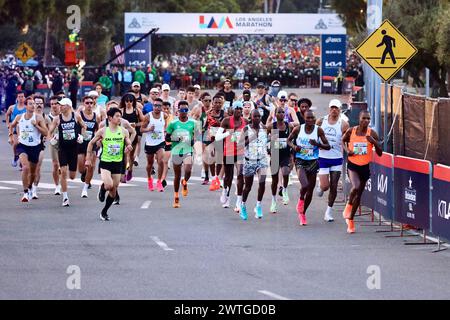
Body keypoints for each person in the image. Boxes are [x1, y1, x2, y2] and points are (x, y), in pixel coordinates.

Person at [85, 107, 133, 221]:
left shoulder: (123, 131)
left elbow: (128, 142)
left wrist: (129, 147)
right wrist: (88, 158)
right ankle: (102, 188)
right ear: (110, 118)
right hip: (105, 162)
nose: (119, 118)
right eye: (117, 116)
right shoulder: (103, 131)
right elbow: (91, 144)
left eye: (120, 116)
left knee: (113, 190)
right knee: (109, 185)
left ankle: (104, 211)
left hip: (118, 162)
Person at [342, 110, 382, 233]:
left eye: (368, 119)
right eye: (364, 118)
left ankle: (351, 221)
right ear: (359, 119)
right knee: (356, 186)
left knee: (359, 194)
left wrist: (374, 142)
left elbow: (380, 153)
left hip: (365, 167)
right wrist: (347, 150)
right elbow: (343, 141)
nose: (366, 121)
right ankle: (349, 204)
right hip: (353, 164)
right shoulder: (352, 131)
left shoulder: (372, 133)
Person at [288, 110, 330, 226]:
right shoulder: (298, 129)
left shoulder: (318, 130)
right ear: (304, 118)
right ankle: (301, 198)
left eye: (312, 118)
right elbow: (288, 140)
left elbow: (328, 146)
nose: (310, 120)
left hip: (313, 161)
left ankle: (303, 214)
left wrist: (318, 144)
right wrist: (294, 146)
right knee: (305, 185)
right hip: (300, 160)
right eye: (308, 118)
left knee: (310, 190)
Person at [8, 97, 48, 202]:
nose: (33, 105)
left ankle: (30, 187)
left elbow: (46, 132)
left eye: (34, 104)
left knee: (33, 173)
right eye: (30, 104)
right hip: (23, 145)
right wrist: (11, 136)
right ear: (26, 106)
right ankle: (25, 193)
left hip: (35, 147)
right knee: (25, 167)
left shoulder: (38, 118)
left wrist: (37, 126)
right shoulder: (19, 117)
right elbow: (11, 126)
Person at [48, 98, 87, 207]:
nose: (60, 107)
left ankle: (73, 174)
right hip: (63, 148)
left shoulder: (76, 116)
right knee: (63, 172)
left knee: (73, 176)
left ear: (68, 106)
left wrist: (81, 136)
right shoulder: (57, 119)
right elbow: (50, 130)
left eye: (62, 105)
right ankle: (65, 197)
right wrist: (52, 138)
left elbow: (84, 126)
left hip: (74, 148)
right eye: (59, 105)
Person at [316, 99, 349, 222]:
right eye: (332, 108)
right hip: (323, 156)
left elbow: (346, 140)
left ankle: (328, 212)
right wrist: (316, 144)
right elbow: (315, 133)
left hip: (336, 158)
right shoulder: (321, 121)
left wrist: (348, 150)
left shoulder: (344, 124)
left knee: (334, 186)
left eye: (336, 108)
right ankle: (321, 186)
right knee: (325, 187)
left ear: (340, 109)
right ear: (329, 109)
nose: (334, 110)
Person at [165, 100, 201, 208]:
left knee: (188, 170)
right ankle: (176, 197)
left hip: (187, 150)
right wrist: (177, 138)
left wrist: (193, 140)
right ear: (178, 111)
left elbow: (197, 136)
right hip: (176, 150)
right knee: (177, 175)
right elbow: (167, 137)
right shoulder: (173, 123)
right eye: (182, 110)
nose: (183, 112)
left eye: (186, 110)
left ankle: (185, 182)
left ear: (188, 111)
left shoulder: (193, 123)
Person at [215, 101, 247, 210]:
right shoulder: (227, 121)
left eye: (240, 109)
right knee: (228, 177)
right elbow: (218, 137)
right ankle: (226, 193)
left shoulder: (245, 121)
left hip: (240, 152)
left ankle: (238, 201)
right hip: (228, 152)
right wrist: (229, 132)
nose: (238, 110)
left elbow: (248, 136)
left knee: (240, 174)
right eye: (237, 108)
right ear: (233, 109)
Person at [238, 109, 269, 220]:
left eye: (259, 116)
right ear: (251, 117)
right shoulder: (246, 129)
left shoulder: (264, 129)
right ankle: (243, 205)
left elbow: (267, 141)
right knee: (248, 187)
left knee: (262, 182)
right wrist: (251, 138)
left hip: (261, 160)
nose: (257, 118)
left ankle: (258, 205)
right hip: (249, 160)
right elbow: (240, 146)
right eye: (255, 116)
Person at [267, 107, 295, 213]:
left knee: (285, 172)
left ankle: (285, 190)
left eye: (283, 112)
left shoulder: (289, 126)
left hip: (286, 155)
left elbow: (292, 139)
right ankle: (274, 201)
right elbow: (265, 138)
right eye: (279, 112)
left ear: (285, 114)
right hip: (274, 156)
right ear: (275, 114)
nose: (281, 114)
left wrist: (292, 156)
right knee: (274, 181)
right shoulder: (271, 126)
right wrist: (268, 147)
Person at [141, 98, 169, 192]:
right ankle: (149, 179)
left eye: (159, 106)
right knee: (150, 163)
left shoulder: (164, 115)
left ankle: (159, 182)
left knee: (161, 161)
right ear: (153, 106)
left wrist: (165, 131)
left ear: (162, 107)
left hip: (160, 142)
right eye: (155, 105)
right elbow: (141, 129)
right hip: (150, 143)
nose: (157, 107)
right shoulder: (147, 116)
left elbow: (165, 125)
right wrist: (148, 129)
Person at [77, 96, 100, 198]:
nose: (89, 105)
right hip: (81, 143)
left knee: (91, 166)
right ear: (83, 104)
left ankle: (85, 188)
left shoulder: (96, 116)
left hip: (92, 144)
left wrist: (99, 139)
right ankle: (84, 173)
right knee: (81, 168)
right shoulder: (79, 115)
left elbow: (98, 129)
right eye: (87, 103)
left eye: (91, 103)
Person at [120, 93, 145, 182]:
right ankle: (123, 172)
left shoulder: (137, 110)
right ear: (124, 102)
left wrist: (136, 124)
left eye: (131, 101)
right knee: (123, 153)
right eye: (127, 101)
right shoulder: (121, 111)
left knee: (131, 154)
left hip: (133, 133)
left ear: (133, 102)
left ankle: (130, 169)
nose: (129, 103)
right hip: (123, 134)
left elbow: (144, 122)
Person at [205, 95, 226, 191]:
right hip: (211, 139)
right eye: (216, 102)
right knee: (210, 157)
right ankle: (213, 178)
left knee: (219, 160)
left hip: (220, 139)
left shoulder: (225, 115)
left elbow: (229, 127)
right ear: (212, 103)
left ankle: (217, 177)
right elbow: (205, 125)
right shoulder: (208, 113)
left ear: (222, 104)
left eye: (219, 103)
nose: (217, 104)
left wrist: (220, 124)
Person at [30, 95, 47, 199]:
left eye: (41, 103)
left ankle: (34, 190)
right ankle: (28, 187)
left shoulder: (46, 117)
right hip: (27, 145)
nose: (39, 105)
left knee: (37, 168)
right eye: (37, 103)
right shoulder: (27, 115)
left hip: (40, 145)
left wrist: (47, 137)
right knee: (29, 169)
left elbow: (50, 130)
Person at [5, 91, 26, 167]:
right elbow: (7, 115)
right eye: (19, 97)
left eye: (22, 96)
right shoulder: (12, 107)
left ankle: (21, 162)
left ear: (24, 97)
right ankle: (15, 156)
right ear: (17, 98)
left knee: (23, 145)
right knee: (15, 144)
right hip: (14, 128)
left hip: (24, 129)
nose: (21, 98)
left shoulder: (26, 108)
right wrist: (8, 123)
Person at [46, 96, 62, 195]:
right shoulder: (48, 117)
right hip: (54, 143)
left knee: (63, 166)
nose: (54, 106)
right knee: (55, 165)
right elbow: (47, 131)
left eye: (56, 103)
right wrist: (49, 139)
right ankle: (57, 186)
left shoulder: (64, 115)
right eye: (52, 104)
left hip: (64, 143)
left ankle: (62, 179)